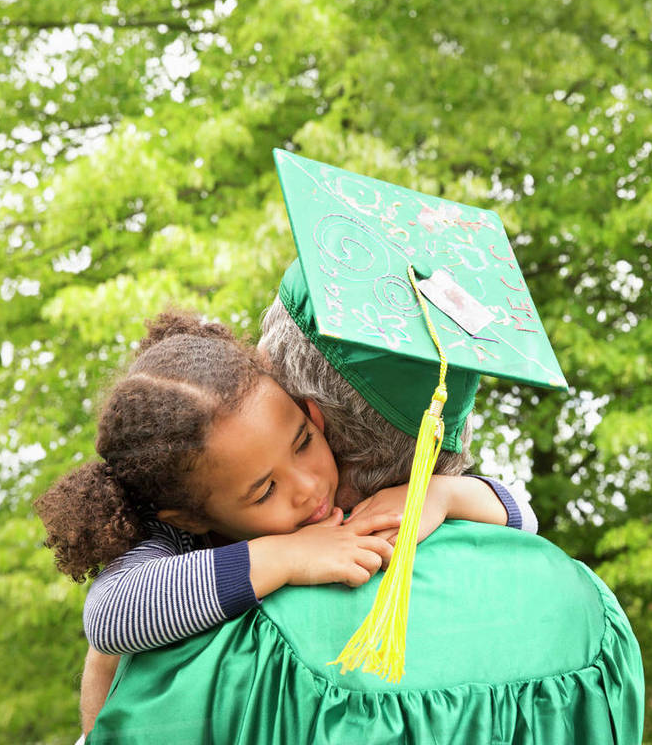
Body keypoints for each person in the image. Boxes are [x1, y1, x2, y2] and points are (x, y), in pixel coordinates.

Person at [35, 309, 540, 734]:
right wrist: (286, 556)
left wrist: (444, 494)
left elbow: (524, 515)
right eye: (265, 490)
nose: (308, 486)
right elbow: (109, 616)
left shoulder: (344, 484)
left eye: (303, 442)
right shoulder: (173, 539)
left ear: (310, 413)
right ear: (190, 516)